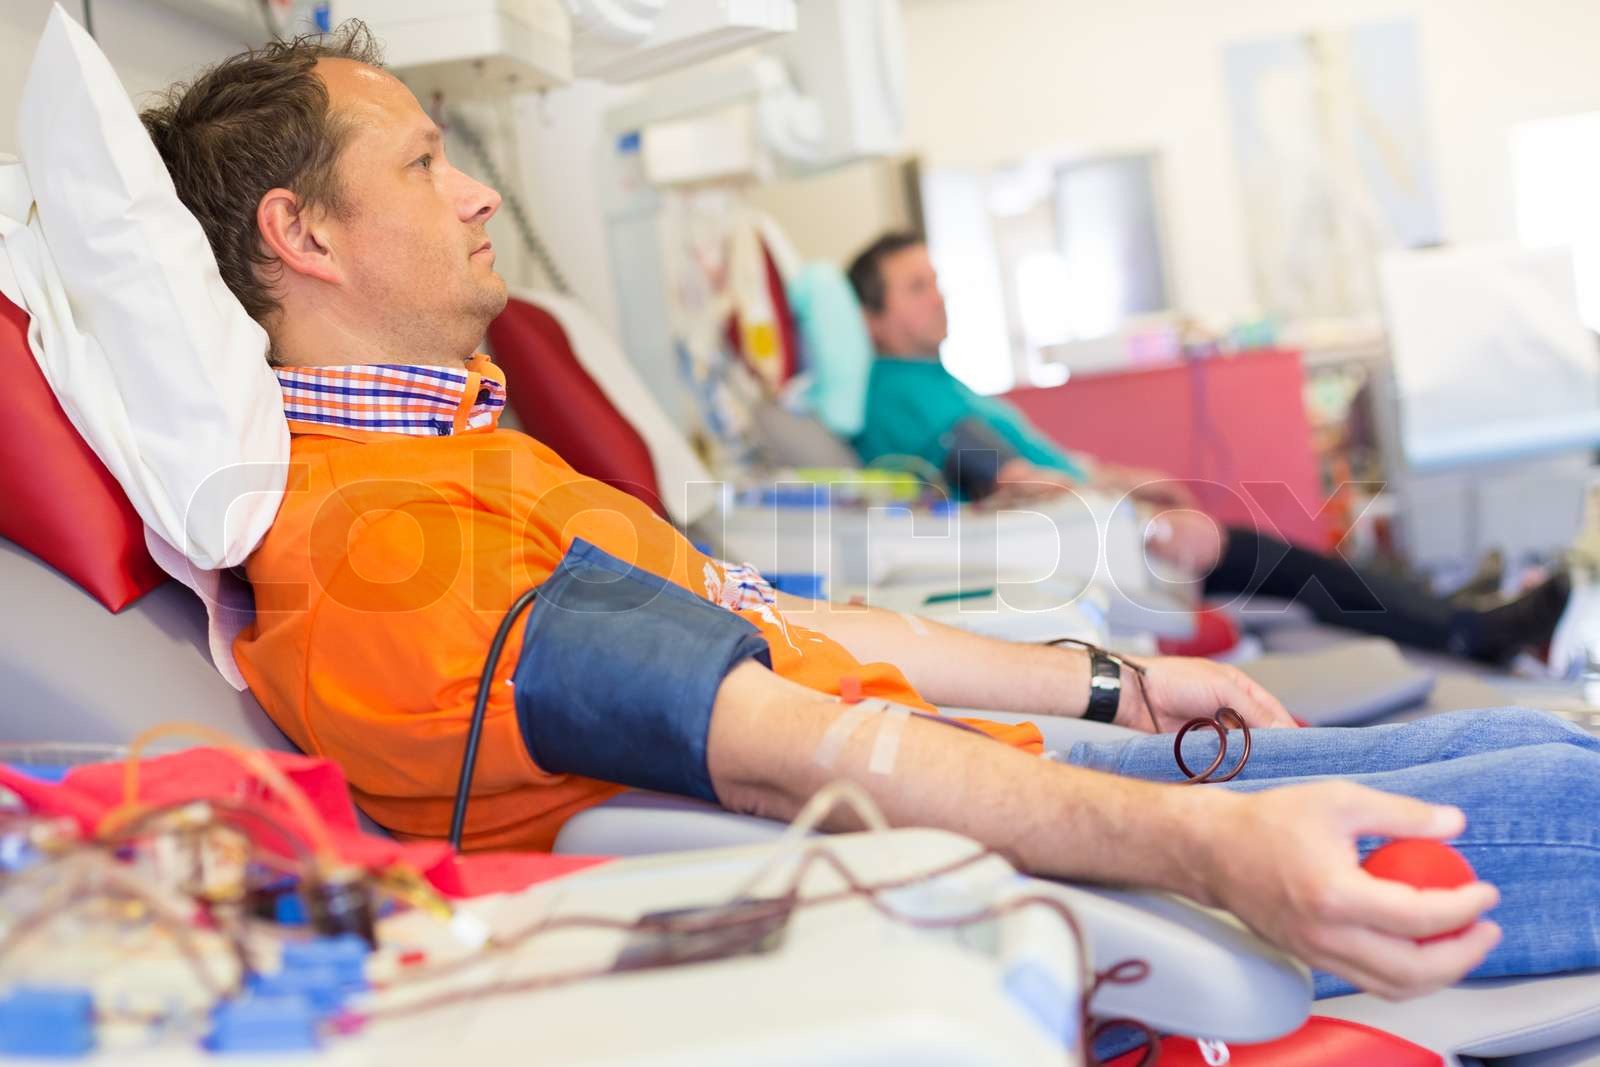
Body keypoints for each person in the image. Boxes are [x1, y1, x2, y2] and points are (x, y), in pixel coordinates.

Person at [142, 24, 1600, 1005]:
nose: (474, 194)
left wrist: (1117, 678)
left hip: (1023, 771)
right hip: (1013, 847)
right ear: (302, 233)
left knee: (1534, 737)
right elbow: (800, 751)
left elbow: (781, 625)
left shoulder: (478, 454)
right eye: (420, 162)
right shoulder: (376, 550)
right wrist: (1208, 849)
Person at [846, 231, 1572, 664]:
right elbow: (1008, 482)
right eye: (916, 288)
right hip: (1096, 537)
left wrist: (1126, 477)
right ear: (874, 319)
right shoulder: (898, 393)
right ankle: (1468, 631)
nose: (938, 296)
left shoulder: (937, 380)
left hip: (1102, 517)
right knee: (1306, 572)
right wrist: (1140, 517)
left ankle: (1456, 619)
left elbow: (1036, 464)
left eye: (936, 281)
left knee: (1306, 570)